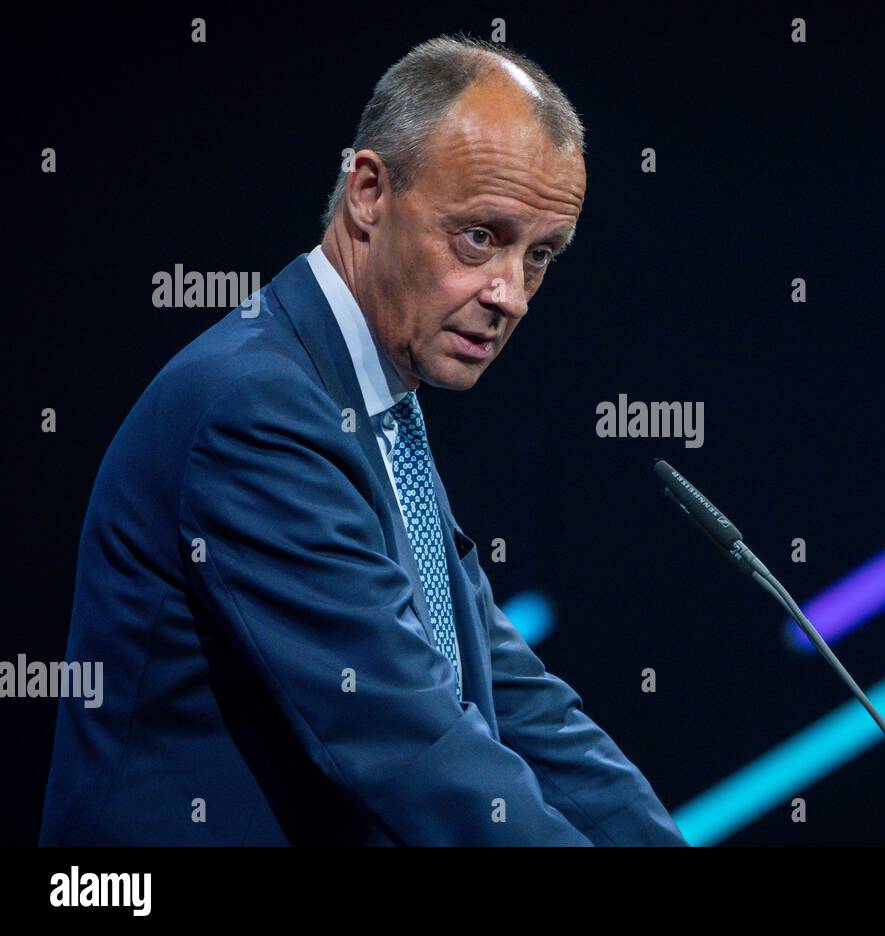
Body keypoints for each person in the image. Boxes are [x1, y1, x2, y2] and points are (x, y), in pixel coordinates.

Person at [39, 35, 686, 846]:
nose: (511, 295)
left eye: (541, 256)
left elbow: (514, 703)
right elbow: (410, 740)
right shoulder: (256, 408)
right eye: (482, 236)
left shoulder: (372, 401)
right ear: (370, 191)